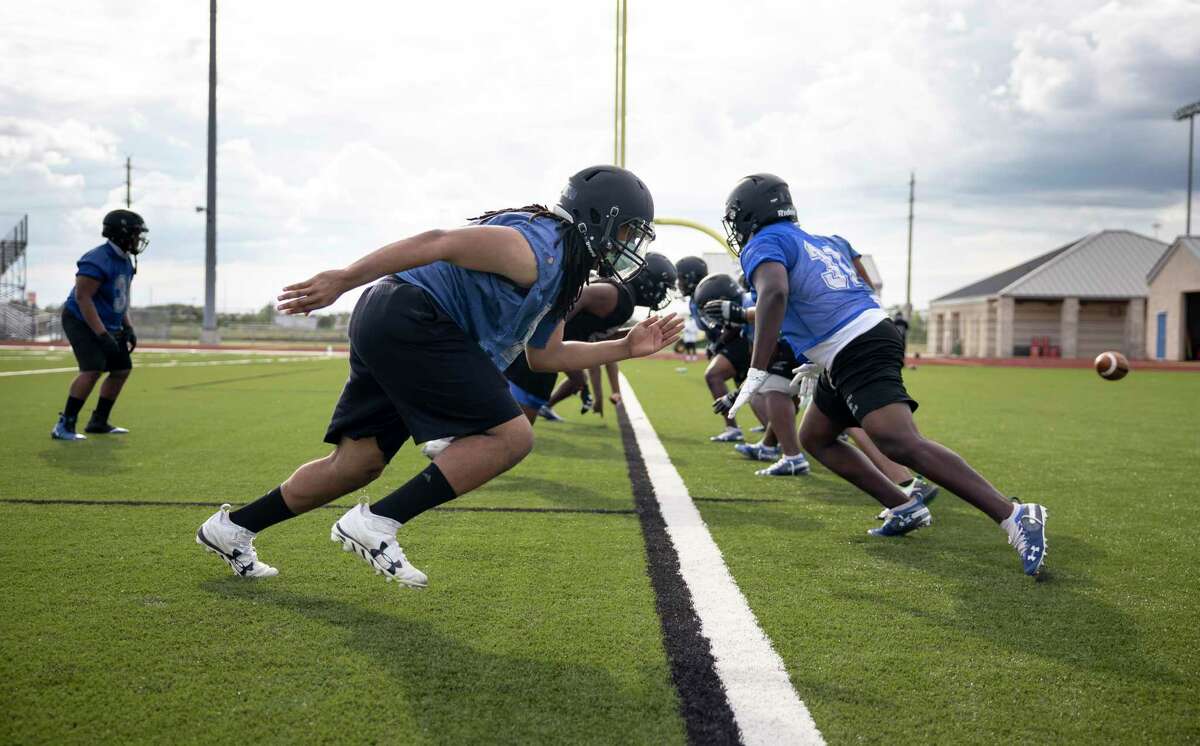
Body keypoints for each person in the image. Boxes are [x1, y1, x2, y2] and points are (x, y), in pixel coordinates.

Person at [195, 165, 682, 585]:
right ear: (601, 218)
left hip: (397, 320)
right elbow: (438, 243)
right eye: (626, 233)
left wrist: (625, 346)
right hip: (411, 315)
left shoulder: (565, 269)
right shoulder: (536, 245)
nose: (629, 247)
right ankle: (378, 523)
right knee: (512, 436)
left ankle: (234, 527)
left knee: (356, 464)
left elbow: (544, 357)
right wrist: (342, 279)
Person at [717, 173, 1047, 577]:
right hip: (861, 337)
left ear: (751, 214)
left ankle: (1015, 513)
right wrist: (821, 351)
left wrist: (756, 366)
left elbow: (775, 293)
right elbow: (848, 289)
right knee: (815, 438)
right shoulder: (825, 241)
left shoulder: (764, 242)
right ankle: (904, 505)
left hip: (854, 344)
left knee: (898, 441)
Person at [52, 209, 147, 441]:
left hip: (106, 323)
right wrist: (102, 334)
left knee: (121, 369)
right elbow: (83, 298)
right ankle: (65, 424)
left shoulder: (124, 260)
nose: (138, 239)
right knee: (93, 368)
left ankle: (98, 421)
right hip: (81, 319)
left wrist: (128, 326)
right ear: (121, 234)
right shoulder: (97, 259)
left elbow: (119, 299)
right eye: (135, 234)